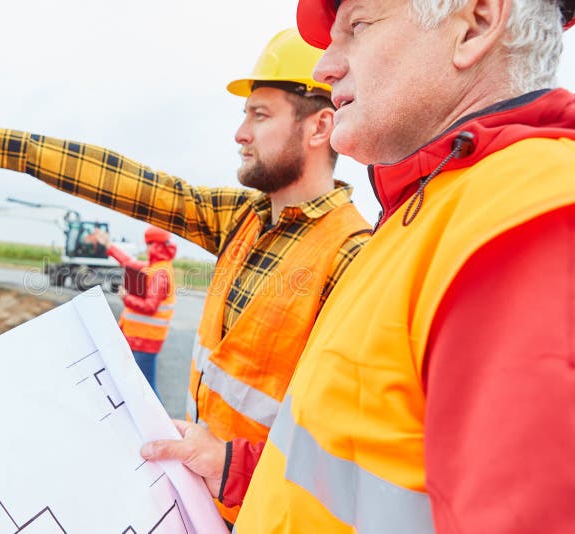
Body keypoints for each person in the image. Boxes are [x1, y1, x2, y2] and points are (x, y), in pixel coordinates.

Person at [0, 27, 371, 526]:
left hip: (270, 514)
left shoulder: (352, 255)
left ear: (320, 127)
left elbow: (354, 452)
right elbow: (123, 180)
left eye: (259, 115)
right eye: (244, 115)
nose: (240, 134)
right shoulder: (242, 216)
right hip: (205, 502)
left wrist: (232, 467)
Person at [142, 0, 575, 532]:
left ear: (476, 25)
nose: (325, 65)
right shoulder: (416, 219)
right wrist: (235, 470)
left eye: (358, 26)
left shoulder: (527, 225)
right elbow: (356, 473)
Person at [90, 225, 177, 395]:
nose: (147, 248)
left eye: (149, 244)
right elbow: (128, 262)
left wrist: (125, 297)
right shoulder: (157, 268)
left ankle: (158, 422)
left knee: (146, 387)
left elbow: (150, 307)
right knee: (140, 384)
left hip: (145, 339)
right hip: (140, 338)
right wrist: (109, 245)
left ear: (157, 246)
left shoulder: (160, 273)